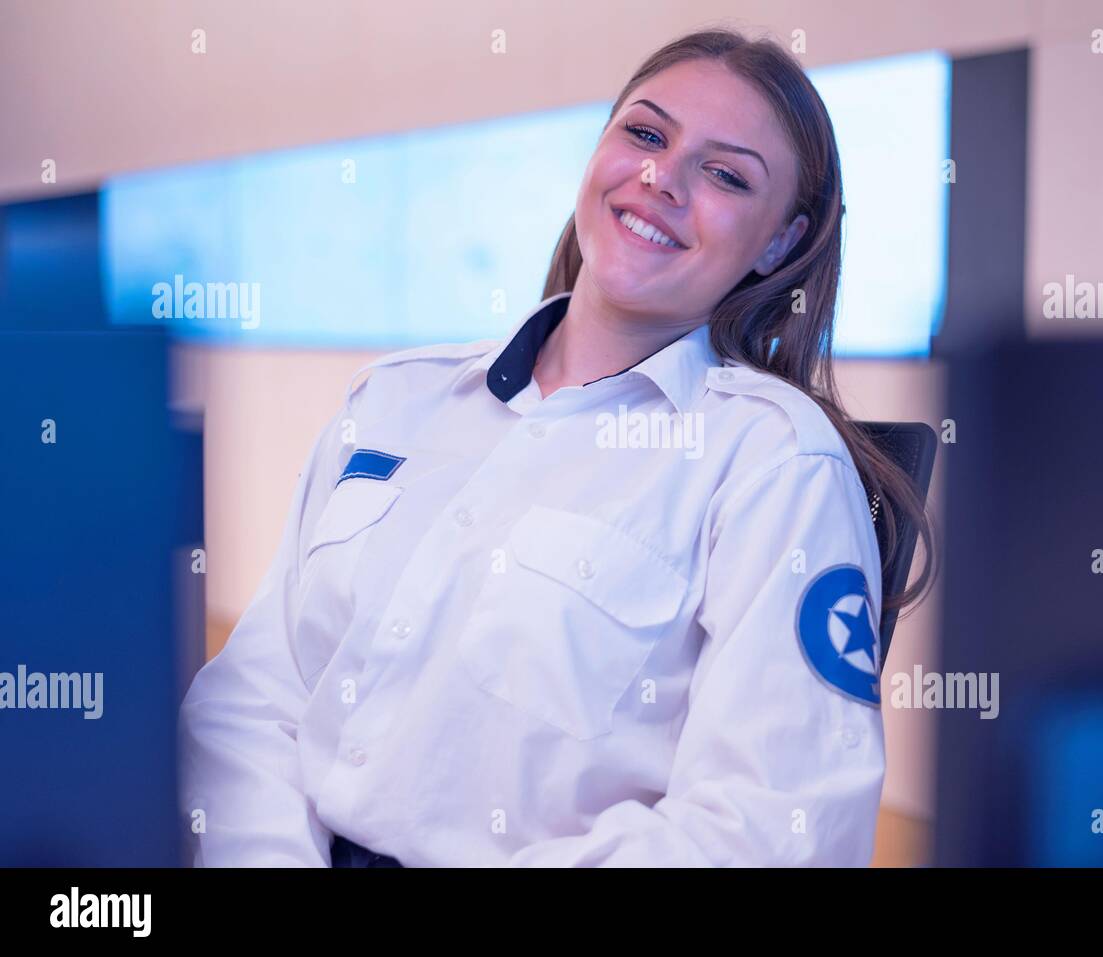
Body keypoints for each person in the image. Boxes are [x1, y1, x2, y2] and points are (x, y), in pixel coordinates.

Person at [178, 27, 934, 867]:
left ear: (780, 243)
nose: (661, 177)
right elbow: (252, 703)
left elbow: (772, 828)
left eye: (724, 174)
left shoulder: (774, 464)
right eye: (645, 134)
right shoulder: (393, 399)